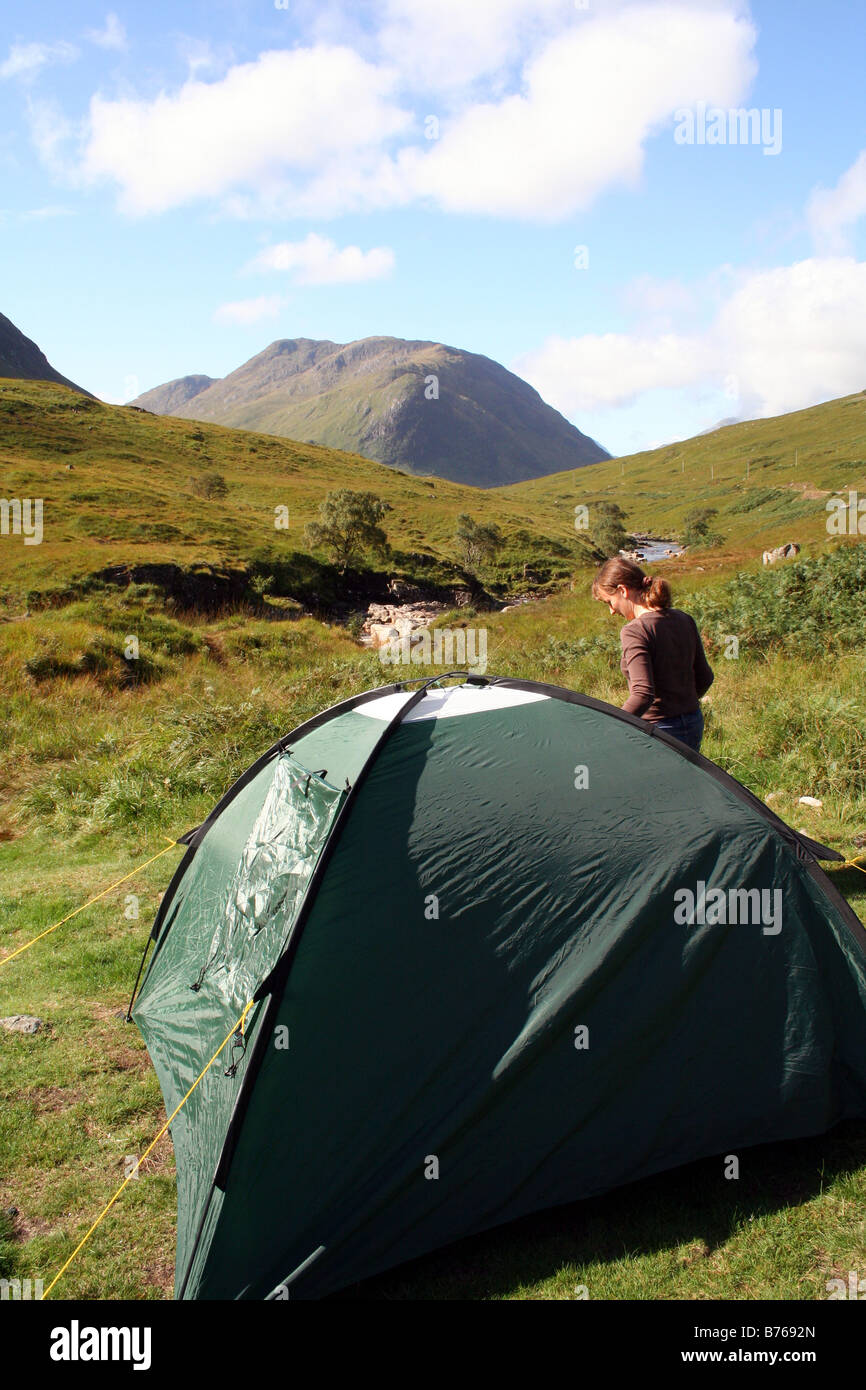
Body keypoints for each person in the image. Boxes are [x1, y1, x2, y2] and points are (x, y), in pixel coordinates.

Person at [591, 556, 713, 752]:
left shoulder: (635, 630)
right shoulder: (684, 619)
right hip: (693, 723)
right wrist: (682, 704)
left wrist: (612, 727)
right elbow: (705, 677)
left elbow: (642, 694)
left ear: (623, 591)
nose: (611, 611)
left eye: (609, 602)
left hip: (659, 731)